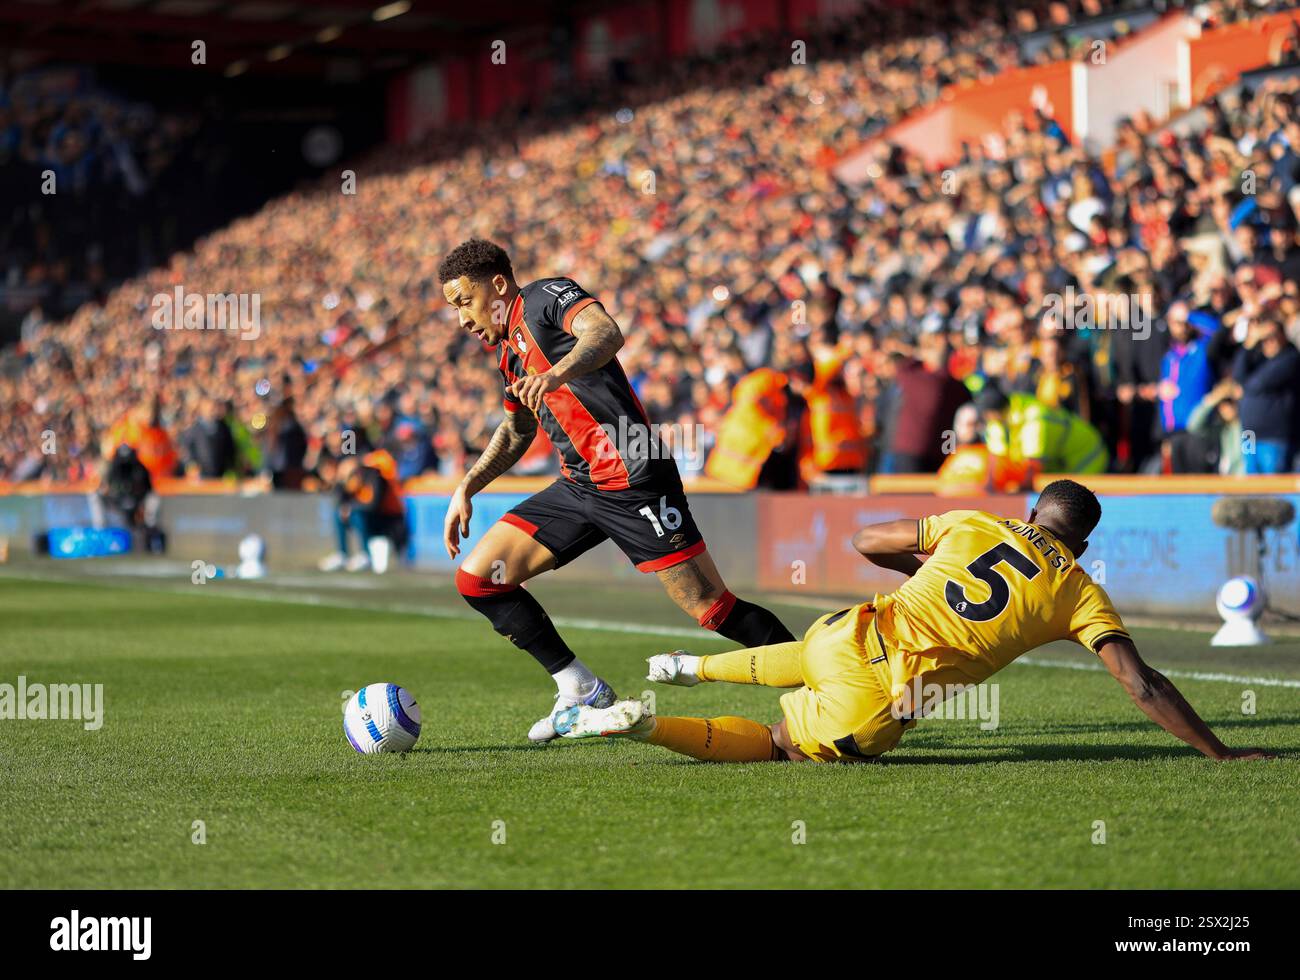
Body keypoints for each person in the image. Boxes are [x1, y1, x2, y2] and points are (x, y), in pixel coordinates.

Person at [554, 480, 1274, 764]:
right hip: (890, 696)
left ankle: (689, 667)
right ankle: (645, 724)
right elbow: (1140, 684)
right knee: (780, 745)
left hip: (851, 629)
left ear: (1031, 514)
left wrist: (924, 575)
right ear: (1081, 542)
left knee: (809, 652)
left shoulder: (973, 522)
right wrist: (1220, 751)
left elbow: (868, 539)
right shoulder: (1079, 589)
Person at [439, 239, 795, 742]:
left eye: (463, 302)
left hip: (633, 477)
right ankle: (580, 688)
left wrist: (556, 372)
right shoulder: (507, 356)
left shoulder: (544, 297)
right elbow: (517, 431)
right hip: (579, 485)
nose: (461, 319)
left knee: (710, 606)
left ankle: (821, 690)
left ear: (496, 285)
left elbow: (606, 333)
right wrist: (467, 485)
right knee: (479, 579)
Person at [975, 384, 1107, 487]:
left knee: (1073, 508)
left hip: (1085, 459)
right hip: (1059, 468)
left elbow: (1033, 465)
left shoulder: (1035, 417)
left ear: (992, 413)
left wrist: (1014, 491)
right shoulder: (996, 423)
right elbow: (998, 462)